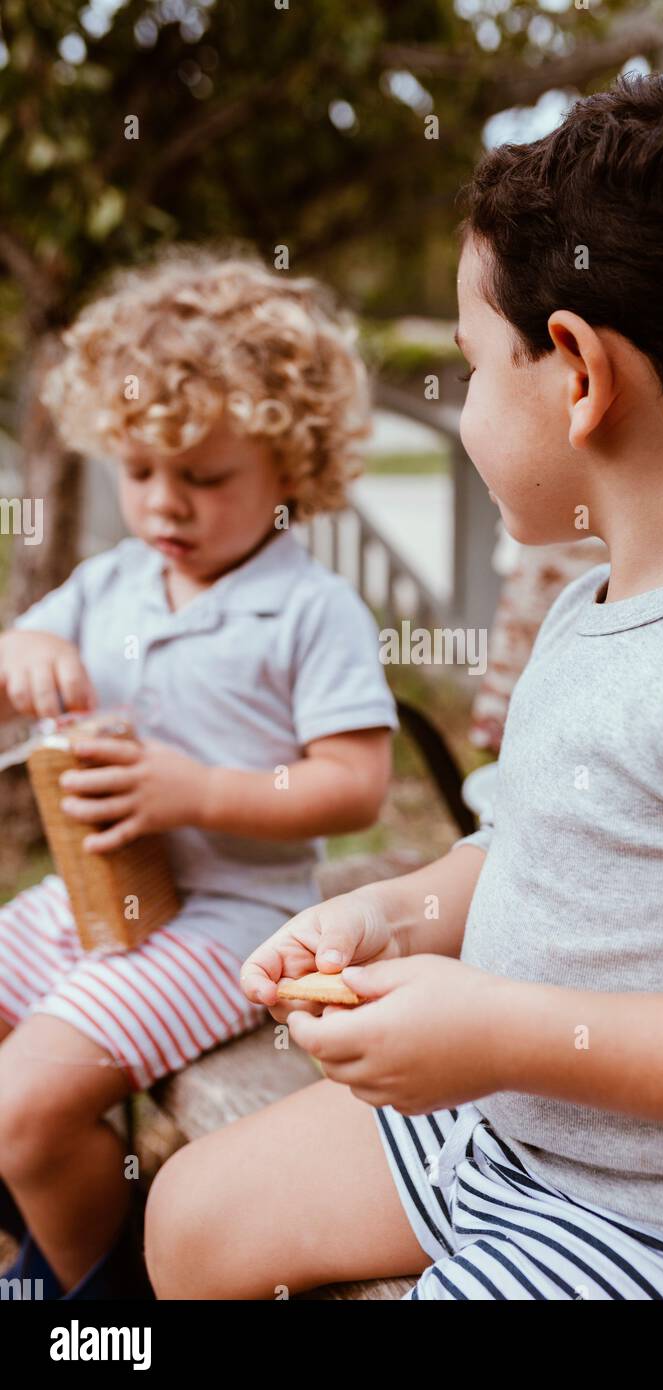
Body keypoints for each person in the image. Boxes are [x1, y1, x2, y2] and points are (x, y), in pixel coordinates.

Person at [145, 61, 663, 1301]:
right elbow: (519, 849)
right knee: (190, 1218)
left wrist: (497, 1030)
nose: (463, 401)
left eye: (474, 367)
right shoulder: (597, 607)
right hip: (510, 1127)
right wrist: (390, 917)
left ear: (577, 373)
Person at [0, 251, 397, 1298]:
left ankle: (95, 1297)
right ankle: (43, 1230)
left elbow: (352, 785)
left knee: (23, 1103)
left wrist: (197, 792)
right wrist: (24, 654)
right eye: (138, 473)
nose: (164, 505)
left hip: (224, 918)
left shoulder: (311, 611)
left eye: (205, 477)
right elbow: (19, 663)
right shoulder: (111, 581)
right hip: (90, 895)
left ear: (291, 466)